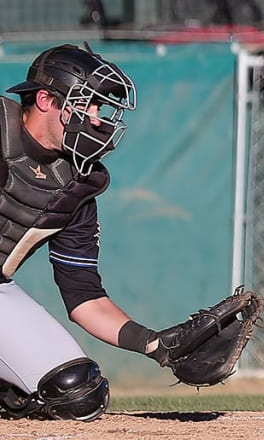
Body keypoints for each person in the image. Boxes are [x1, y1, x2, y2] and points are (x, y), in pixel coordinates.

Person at [0, 45, 206, 419]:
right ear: (45, 99)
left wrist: (157, 345)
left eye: (100, 108)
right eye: (86, 104)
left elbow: (85, 297)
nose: (96, 119)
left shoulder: (77, 183)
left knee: (77, 394)